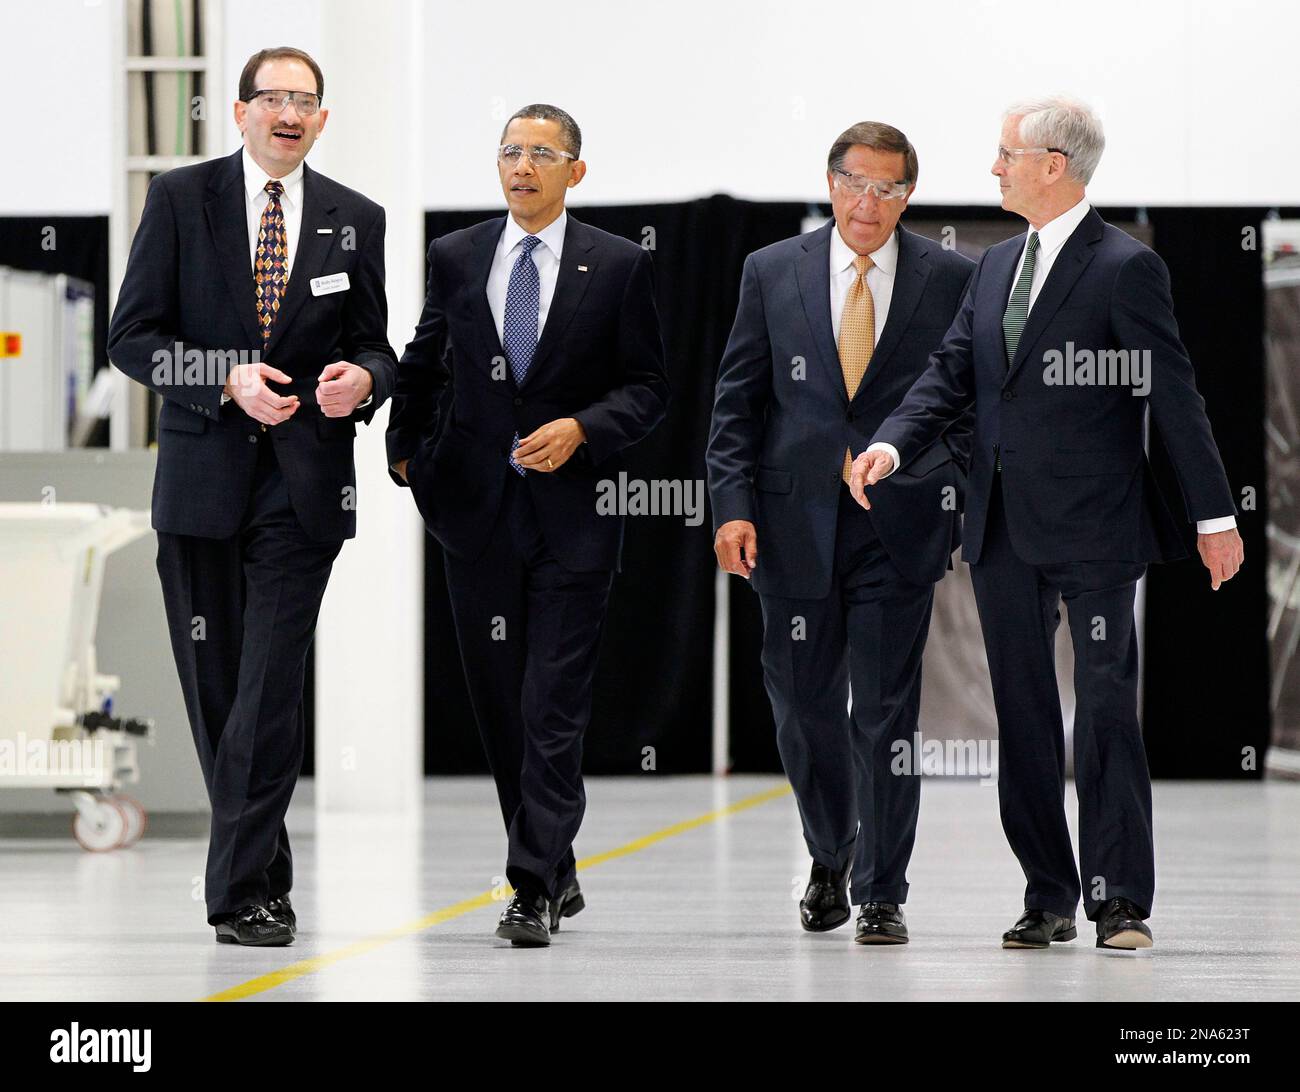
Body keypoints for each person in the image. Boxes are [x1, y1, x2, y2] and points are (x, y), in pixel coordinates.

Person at [853, 96, 1244, 951]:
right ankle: (1048, 897)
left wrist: (1216, 515)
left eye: (1005, 154)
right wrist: (889, 444)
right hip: (999, 529)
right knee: (1024, 717)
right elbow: (950, 371)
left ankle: (1120, 904)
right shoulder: (994, 266)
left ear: (1053, 164)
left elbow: (1173, 399)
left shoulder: (1125, 268)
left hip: (1098, 528)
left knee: (1104, 709)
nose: (994, 167)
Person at [108, 46, 396, 946]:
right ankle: (264, 873)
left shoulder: (358, 217)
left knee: (269, 689)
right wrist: (222, 378)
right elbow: (133, 340)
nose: (289, 112)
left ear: (321, 119)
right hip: (200, 484)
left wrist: (365, 383)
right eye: (273, 97)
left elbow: (378, 349)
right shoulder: (179, 199)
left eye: (306, 100)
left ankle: (237, 897)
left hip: (302, 490)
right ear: (238, 112)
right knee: (220, 696)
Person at [387, 104, 669, 947]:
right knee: (503, 710)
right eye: (511, 151)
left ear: (575, 171)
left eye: (542, 153)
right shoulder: (458, 254)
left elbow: (649, 386)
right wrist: (406, 454)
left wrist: (584, 428)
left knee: (553, 707)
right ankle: (554, 861)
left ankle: (531, 887)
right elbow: (425, 359)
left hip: (574, 523)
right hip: (474, 518)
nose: (523, 166)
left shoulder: (618, 266)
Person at [707, 122, 974, 944]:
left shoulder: (951, 277)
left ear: (909, 196)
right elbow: (738, 401)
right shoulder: (770, 271)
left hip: (894, 530)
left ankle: (882, 889)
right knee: (803, 709)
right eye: (857, 183)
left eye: (890, 188)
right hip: (789, 528)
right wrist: (732, 506)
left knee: (886, 716)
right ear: (831, 183)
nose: (871, 202)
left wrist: (934, 484)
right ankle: (830, 853)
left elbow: (966, 408)